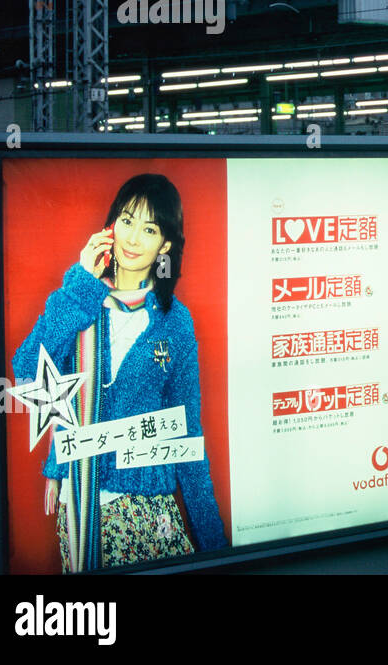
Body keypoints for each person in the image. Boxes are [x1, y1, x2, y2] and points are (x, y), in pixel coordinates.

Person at [12, 173, 227, 572]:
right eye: (126, 220)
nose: (132, 239)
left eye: (149, 229)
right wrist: (81, 284)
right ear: (110, 225)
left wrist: (217, 546)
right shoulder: (80, 300)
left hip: (145, 506)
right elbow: (28, 373)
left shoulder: (174, 323)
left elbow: (186, 430)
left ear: (165, 244)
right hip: (80, 506)